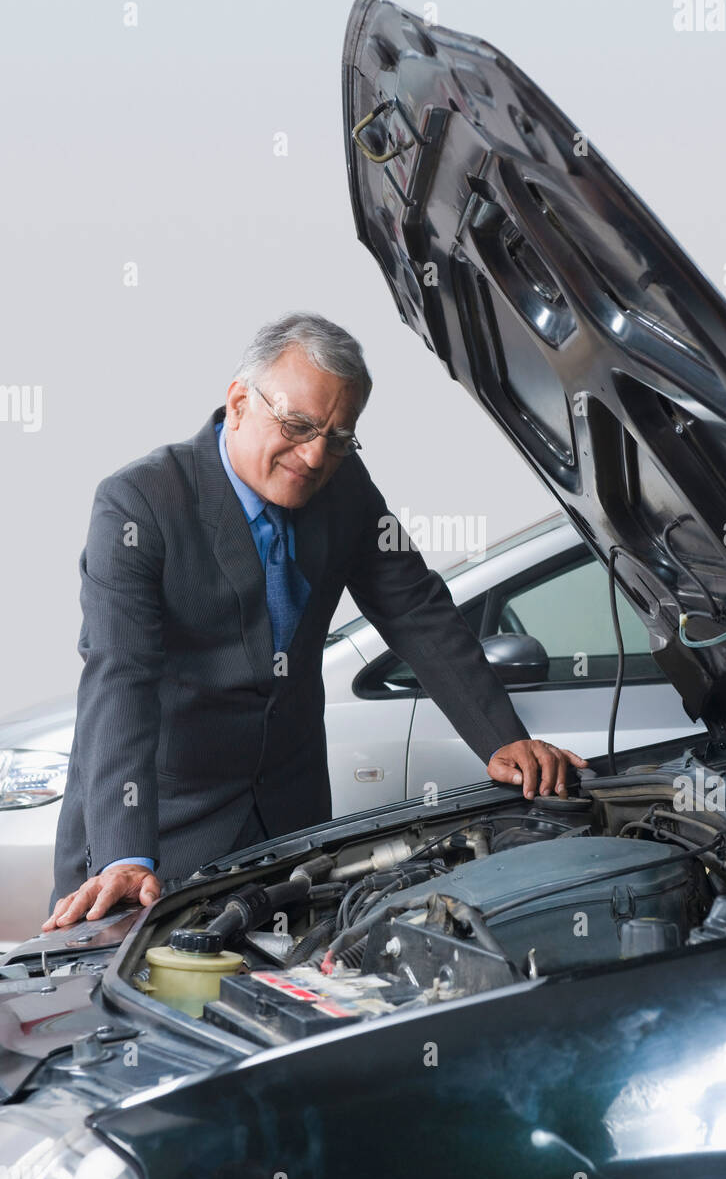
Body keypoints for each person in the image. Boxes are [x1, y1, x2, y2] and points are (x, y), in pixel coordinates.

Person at [43, 312, 585, 930]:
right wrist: (124, 853)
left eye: (338, 437)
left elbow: (414, 607)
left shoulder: (343, 485)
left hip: (290, 822)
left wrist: (501, 738)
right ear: (240, 401)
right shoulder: (139, 504)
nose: (313, 456)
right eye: (298, 426)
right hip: (158, 829)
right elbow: (123, 677)